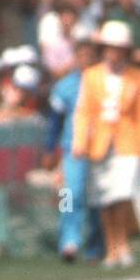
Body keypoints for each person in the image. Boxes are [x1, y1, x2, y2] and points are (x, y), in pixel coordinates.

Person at [72, 20, 140, 269]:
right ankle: (111, 247)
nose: (114, 53)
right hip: (100, 142)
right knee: (104, 198)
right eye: (110, 48)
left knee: (123, 193)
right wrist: (80, 141)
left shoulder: (136, 76)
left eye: (119, 48)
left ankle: (123, 243)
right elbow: (84, 111)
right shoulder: (91, 75)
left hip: (127, 141)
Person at [45, 31, 101, 262]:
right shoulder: (66, 86)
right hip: (72, 148)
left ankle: (97, 245)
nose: (85, 60)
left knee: (99, 198)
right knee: (70, 195)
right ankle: (69, 240)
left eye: (89, 55)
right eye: (81, 55)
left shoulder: (102, 81)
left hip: (99, 148)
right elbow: (55, 121)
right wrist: (50, 149)